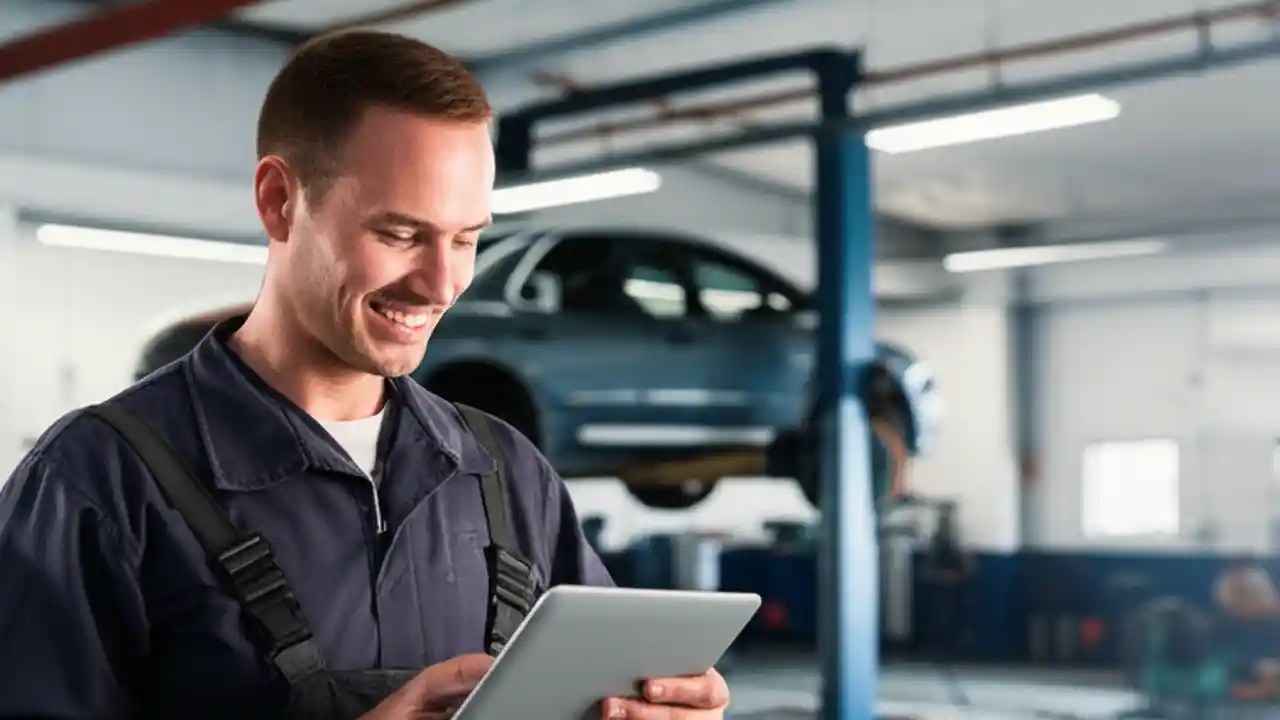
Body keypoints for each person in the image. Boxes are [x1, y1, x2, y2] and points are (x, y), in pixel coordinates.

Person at [0, 30, 729, 719]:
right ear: (279, 202)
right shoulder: (96, 484)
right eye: (400, 234)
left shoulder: (507, 477)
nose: (441, 283)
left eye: (467, 239)